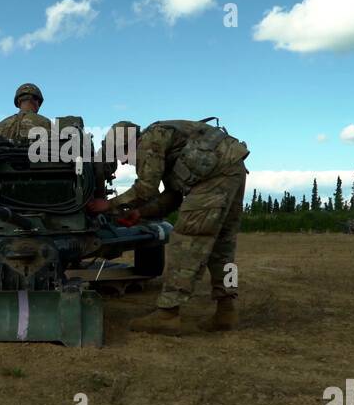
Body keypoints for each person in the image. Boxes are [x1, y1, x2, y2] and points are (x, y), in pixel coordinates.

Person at [88, 119, 249, 335]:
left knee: (186, 241)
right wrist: (140, 213)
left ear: (128, 143)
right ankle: (227, 309)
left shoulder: (149, 140)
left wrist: (108, 205)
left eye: (121, 155)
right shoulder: (169, 146)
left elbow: (145, 188)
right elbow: (172, 196)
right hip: (233, 168)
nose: (124, 163)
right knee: (224, 246)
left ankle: (168, 313)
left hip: (214, 177)